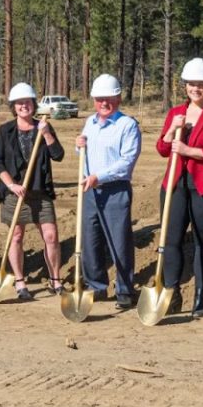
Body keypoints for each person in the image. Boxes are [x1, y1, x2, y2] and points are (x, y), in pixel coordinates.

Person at [155, 57, 203, 317]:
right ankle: (171, 293)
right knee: (171, 240)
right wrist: (170, 133)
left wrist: (191, 150)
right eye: (191, 84)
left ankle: (201, 297)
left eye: (201, 84)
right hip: (176, 185)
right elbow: (162, 149)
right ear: (185, 86)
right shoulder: (175, 114)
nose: (195, 88)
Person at [0, 82, 65, 300]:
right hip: (15, 192)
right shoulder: (5, 131)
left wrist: (47, 135)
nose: (24, 106)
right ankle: (20, 281)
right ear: (13, 107)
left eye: (27, 102)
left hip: (39, 192)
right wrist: (11, 185)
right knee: (16, 235)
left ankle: (55, 279)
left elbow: (58, 155)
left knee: (51, 236)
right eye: (19, 103)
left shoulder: (43, 127)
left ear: (34, 104)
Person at [74, 74, 141, 309]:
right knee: (90, 239)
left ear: (119, 98)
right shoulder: (90, 123)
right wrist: (78, 145)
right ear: (94, 99)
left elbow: (126, 162)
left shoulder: (127, 125)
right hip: (90, 190)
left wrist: (98, 177)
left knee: (119, 241)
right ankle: (96, 286)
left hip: (115, 190)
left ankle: (124, 290)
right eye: (100, 99)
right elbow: (83, 152)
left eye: (109, 98)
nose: (104, 103)